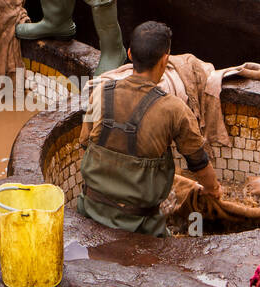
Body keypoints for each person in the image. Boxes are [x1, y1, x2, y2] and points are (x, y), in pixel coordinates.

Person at [78, 21, 222, 236]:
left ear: (129, 54)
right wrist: (214, 191)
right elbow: (198, 162)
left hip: (89, 208)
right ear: (165, 60)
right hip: (140, 224)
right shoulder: (174, 109)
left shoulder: (100, 93)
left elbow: (83, 143)